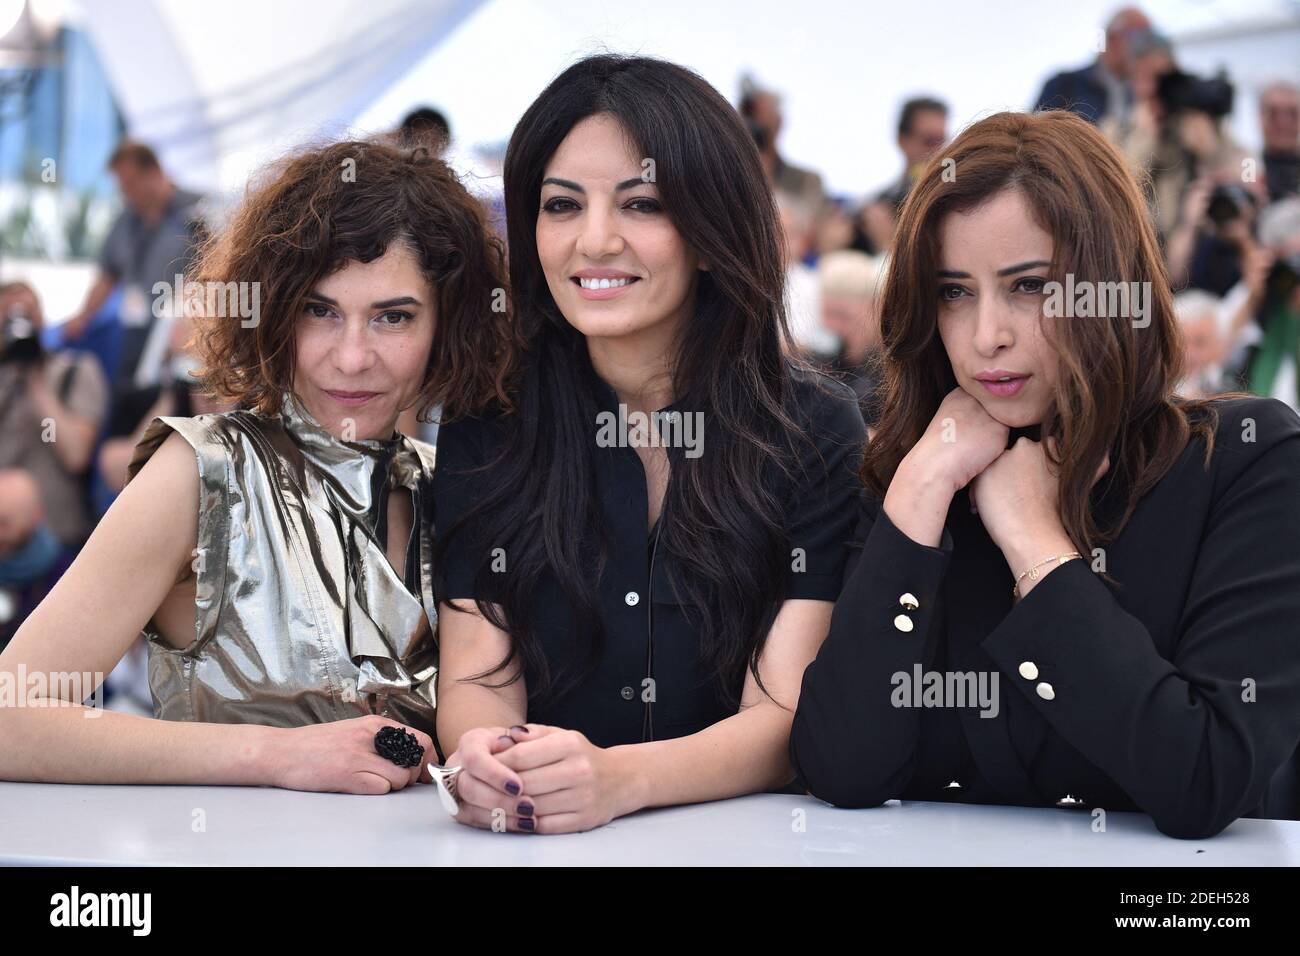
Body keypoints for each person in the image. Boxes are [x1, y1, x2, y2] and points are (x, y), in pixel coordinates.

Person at [790, 110, 1300, 839]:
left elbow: (1204, 780)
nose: (987, 334)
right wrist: (916, 498)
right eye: (954, 292)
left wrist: (1037, 545)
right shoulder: (921, 478)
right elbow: (841, 768)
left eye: (1029, 287)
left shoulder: (1246, 462)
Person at [432, 54, 865, 835]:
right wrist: (487, 758)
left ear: (711, 229)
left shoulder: (816, 432)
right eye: (561, 206)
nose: (594, 241)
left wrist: (618, 780)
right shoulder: (487, 420)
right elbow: (476, 675)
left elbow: (783, 717)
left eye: (642, 204)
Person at [0, 139, 514, 793]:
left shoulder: (461, 490)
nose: (352, 357)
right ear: (270, 312)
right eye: (319, 311)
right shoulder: (201, 472)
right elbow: (9, 718)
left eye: (392, 317)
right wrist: (273, 756)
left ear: (448, 326)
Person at [63, 142, 206, 436]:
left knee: (165, 442)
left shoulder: (198, 213)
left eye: (130, 183)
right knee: (123, 442)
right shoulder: (126, 221)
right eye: (120, 186)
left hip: (177, 355)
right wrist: (82, 317)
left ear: (153, 172)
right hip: (131, 357)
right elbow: (106, 276)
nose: (125, 193)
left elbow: (221, 277)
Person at [0, 281, 108, 556]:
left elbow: (75, 455)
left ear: (42, 319)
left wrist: (36, 383)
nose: (17, 322)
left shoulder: (76, 371)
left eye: (26, 312)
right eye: (8, 314)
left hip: (56, 540)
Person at [1034, 6, 1152, 125]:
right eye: (1139, 37)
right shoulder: (1063, 86)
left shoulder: (1148, 93)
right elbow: (1033, 137)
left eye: (1151, 39)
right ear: (1112, 39)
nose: (1146, 47)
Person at [859, 97, 949, 254]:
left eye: (942, 141)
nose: (937, 151)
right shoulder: (882, 203)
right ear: (902, 141)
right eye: (928, 141)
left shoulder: (956, 195)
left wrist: (888, 245)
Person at [816, 250, 886, 430]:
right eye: (828, 315)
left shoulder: (896, 373)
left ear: (876, 308)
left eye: (843, 316)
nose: (833, 326)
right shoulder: (825, 363)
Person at [1259, 81, 1299, 203]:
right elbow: (1247, 184)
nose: (1282, 123)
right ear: (1260, 117)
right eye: (1273, 113)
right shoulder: (1248, 164)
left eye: (1292, 114)